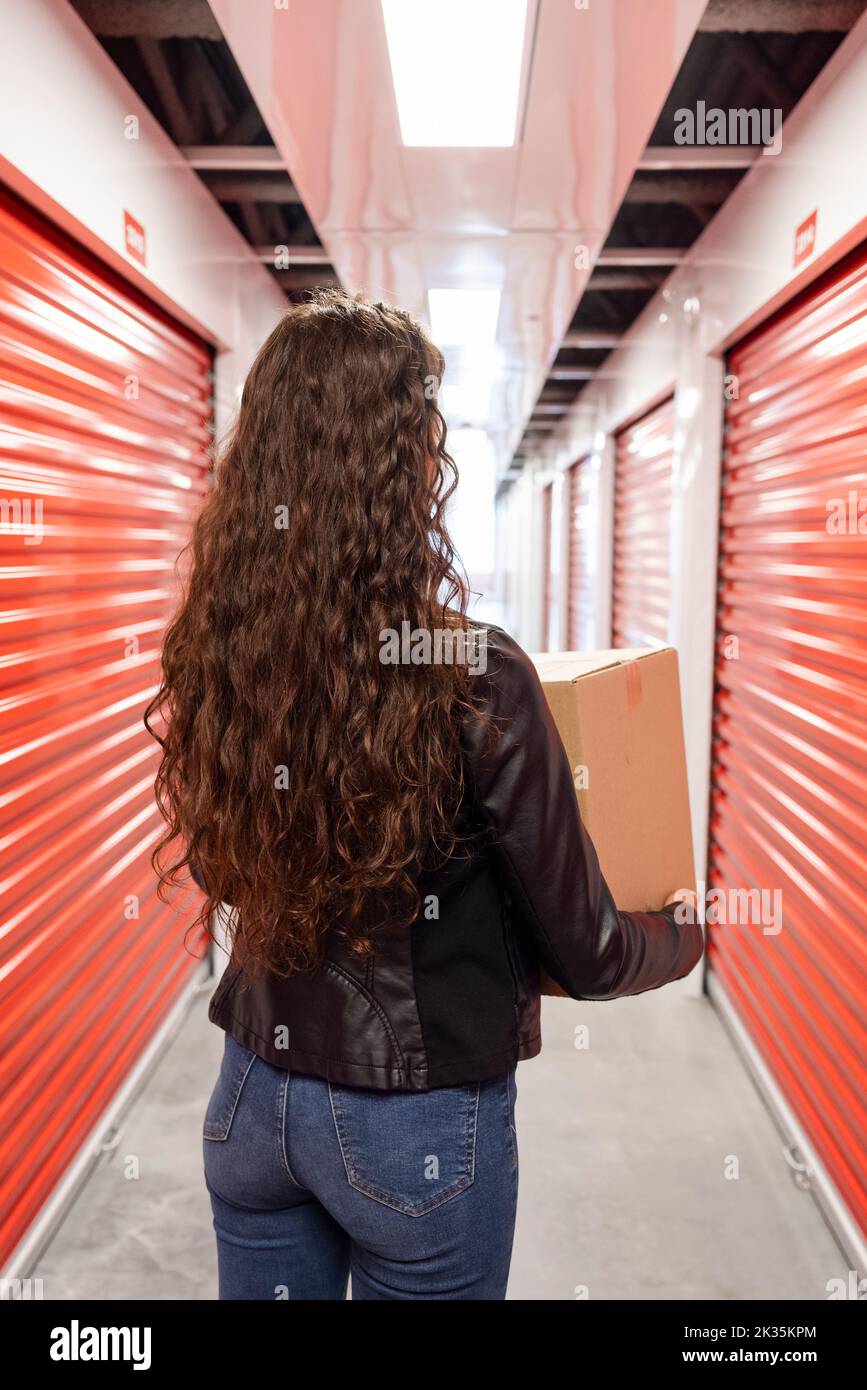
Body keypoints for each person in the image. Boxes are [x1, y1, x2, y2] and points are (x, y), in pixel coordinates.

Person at [146, 289, 703, 1301]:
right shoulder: (473, 676)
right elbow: (588, 947)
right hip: (416, 1133)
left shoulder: (222, 651)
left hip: (251, 1098)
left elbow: (233, 870)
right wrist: (685, 933)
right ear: (403, 470)